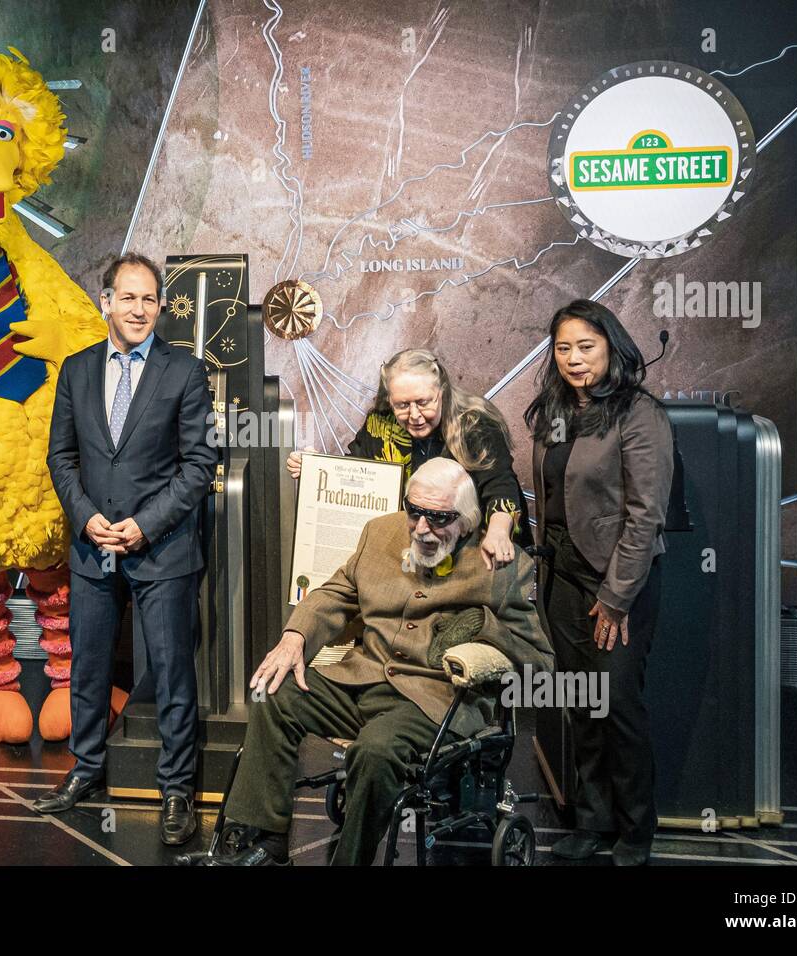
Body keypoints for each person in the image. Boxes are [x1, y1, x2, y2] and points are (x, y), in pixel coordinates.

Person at [197, 457, 553, 865]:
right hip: (362, 679)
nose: (421, 528)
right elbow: (334, 594)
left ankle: (351, 859)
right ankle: (266, 839)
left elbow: (539, 662)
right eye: (414, 511)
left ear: (468, 521)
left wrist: (483, 631)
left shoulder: (500, 567)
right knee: (272, 692)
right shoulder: (379, 533)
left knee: (376, 749)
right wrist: (294, 637)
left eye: (438, 518)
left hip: (435, 699)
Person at [36, 252, 216, 846]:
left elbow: (198, 467)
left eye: (149, 299)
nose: (139, 309)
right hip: (92, 549)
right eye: (128, 297)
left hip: (161, 549)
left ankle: (176, 790)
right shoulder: (77, 370)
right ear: (104, 301)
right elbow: (61, 458)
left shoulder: (184, 372)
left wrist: (143, 525)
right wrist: (87, 520)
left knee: (171, 674)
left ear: (160, 307)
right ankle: (86, 769)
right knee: (87, 666)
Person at [524, 299, 673, 866]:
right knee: (581, 704)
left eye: (585, 346)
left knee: (617, 705)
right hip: (561, 576)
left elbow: (645, 516)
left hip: (619, 586)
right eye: (563, 348)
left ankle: (636, 829)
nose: (573, 358)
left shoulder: (639, 413)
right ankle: (592, 818)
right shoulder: (558, 411)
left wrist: (615, 598)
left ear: (611, 346)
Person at [287, 348, 526, 570]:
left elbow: (500, 485)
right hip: (406, 556)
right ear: (389, 400)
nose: (414, 415)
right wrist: (317, 468)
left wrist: (498, 530)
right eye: (402, 405)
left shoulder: (474, 425)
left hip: (469, 552)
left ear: (441, 393)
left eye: (423, 402)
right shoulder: (380, 424)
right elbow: (357, 474)